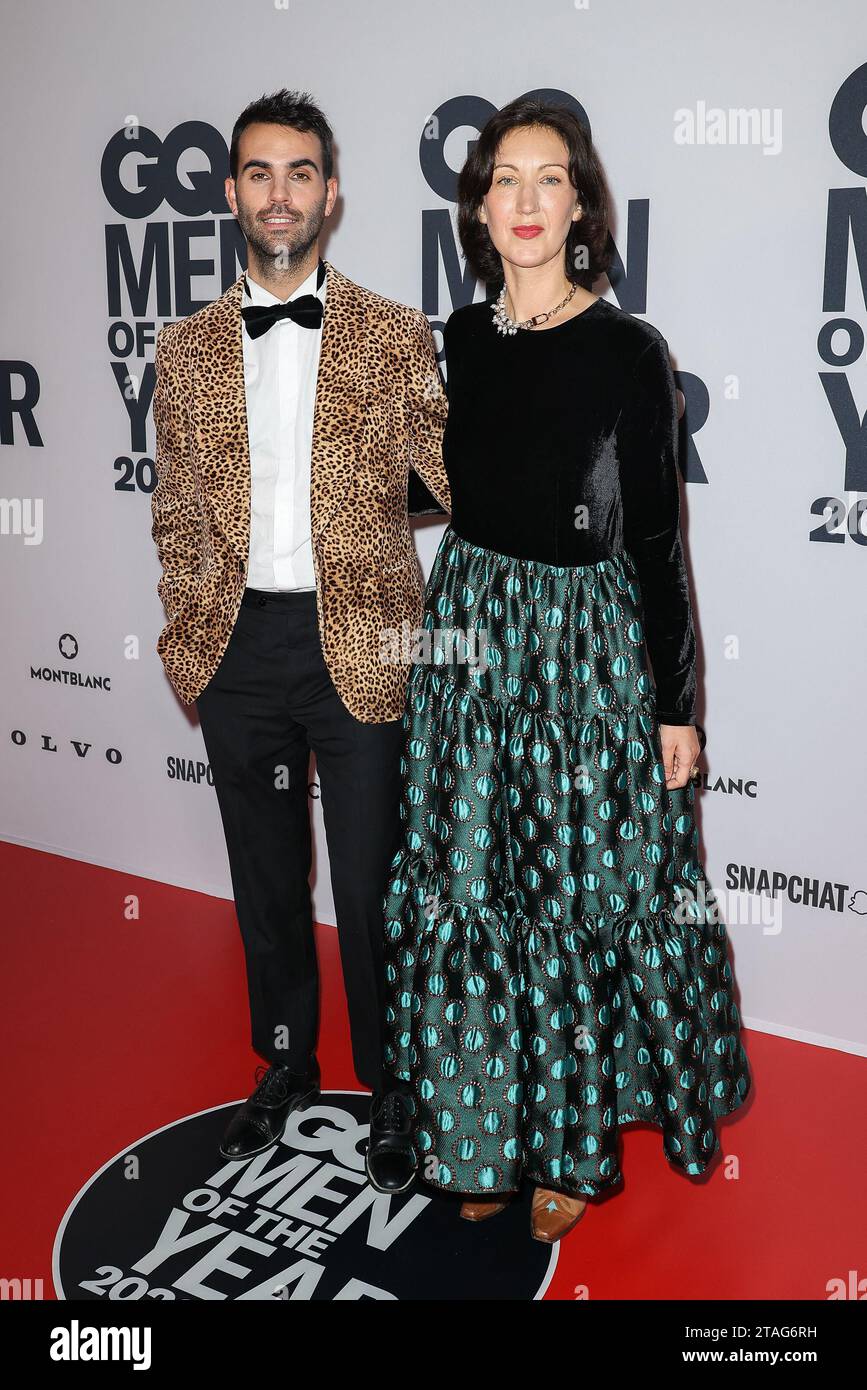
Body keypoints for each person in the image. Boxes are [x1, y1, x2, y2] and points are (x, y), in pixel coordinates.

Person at [375, 97, 752, 1242]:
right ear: (478, 207)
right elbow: (435, 490)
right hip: (474, 645)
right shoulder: (456, 342)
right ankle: (476, 1128)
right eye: (505, 180)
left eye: (550, 179)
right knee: (477, 891)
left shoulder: (632, 353)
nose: (526, 202)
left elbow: (654, 548)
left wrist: (677, 709)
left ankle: (570, 1153)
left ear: (581, 203)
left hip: (586, 664)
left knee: (581, 901)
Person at [150, 89, 449, 1165]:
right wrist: (191, 632)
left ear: (333, 193)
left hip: (359, 638)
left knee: (373, 880)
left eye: (301, 173)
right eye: (261, 173)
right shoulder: (182, 349)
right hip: (237, 649)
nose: (282, 194)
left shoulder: (391, 330)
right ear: (232, 193)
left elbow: (448, 478)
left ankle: (395, 1079)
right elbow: (176, 507)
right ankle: (284, 1056)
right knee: (265, 877)